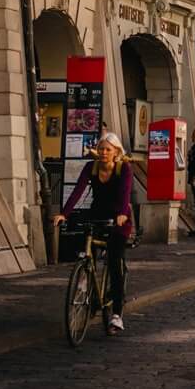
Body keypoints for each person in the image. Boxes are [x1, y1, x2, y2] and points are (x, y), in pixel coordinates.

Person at [55, 132, 134, 331]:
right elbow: (78, 190)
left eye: (108, 149)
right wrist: (64, 213)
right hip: (98, 212)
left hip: (119, 217)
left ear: (116, 152)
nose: (103, 152)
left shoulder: (123, 168)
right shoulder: (91, 167)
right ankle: (83, 280)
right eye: (101, 149)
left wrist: (123, 214)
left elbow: (125, 194)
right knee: (84, 245)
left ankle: (116, 314)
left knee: (115, 260)